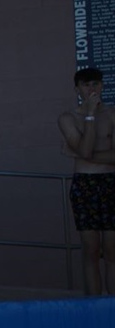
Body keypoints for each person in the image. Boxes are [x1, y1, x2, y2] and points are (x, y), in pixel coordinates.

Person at [57, 67, 115, 296]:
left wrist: (81, 154)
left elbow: (86, 151)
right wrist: (90, 114)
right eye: (86, 85)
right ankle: (94, 307)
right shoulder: (68, 118)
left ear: (102, 86)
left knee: (112, 251)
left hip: (110, 182)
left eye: (95, 84)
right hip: (85, 185)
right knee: (91, 250)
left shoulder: (111, 115)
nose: (91, 89)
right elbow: (86, 147)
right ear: (77, 89)